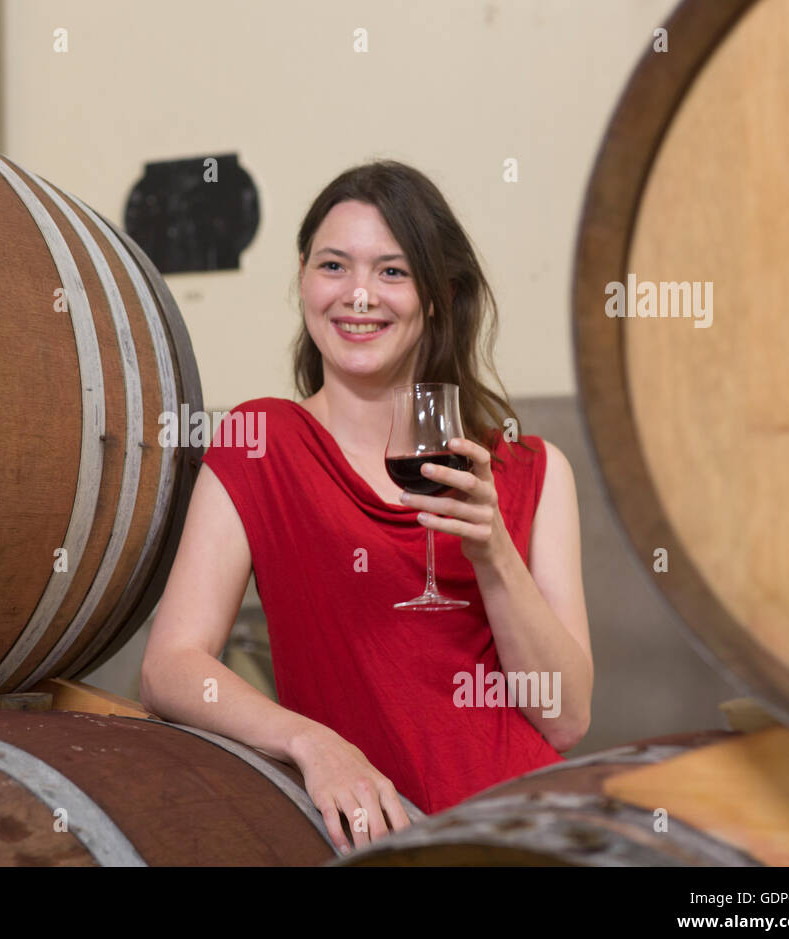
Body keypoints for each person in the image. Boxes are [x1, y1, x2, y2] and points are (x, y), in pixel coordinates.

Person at [139, 159, 592, 855]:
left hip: (528, 833)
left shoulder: (531, 470)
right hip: (385, 845)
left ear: (437, 295)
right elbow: (170, 664)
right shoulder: (263, 445)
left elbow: (564, 721)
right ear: (302, 279)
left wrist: (493, 552)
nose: (358, 296)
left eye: (392, 271)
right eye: (333, 266)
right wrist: (312, 742)